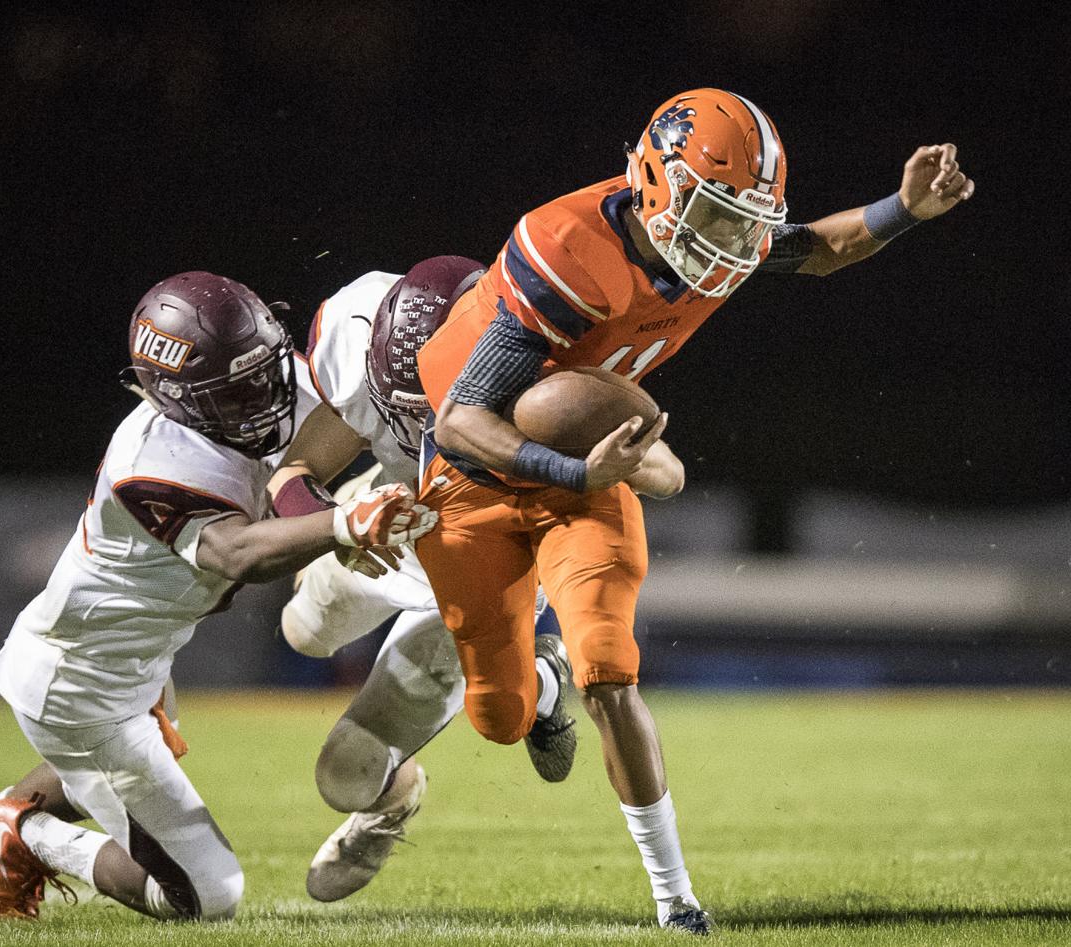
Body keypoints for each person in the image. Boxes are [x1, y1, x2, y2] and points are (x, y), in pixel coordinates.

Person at [413, 88, 975, 934]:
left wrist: (906, 209)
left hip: (594, 469)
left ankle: (677, 899)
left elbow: (816, 250)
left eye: (745, 220)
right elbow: (462, 418)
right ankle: (540, 682)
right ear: (653, 179)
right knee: (500, 716)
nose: (731, 242)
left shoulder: (724, 234)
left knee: (612, 665)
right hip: (476, 477)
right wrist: (567, 462)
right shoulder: (568, 248)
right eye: (715, 213)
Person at [0, 271, 436, 921]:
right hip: (79, 680)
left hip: (137, 653)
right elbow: (237, 552)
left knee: (114, 760)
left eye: (264, 369)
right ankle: (28, 833)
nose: (266, 393)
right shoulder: (153, 461)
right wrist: (342, 521)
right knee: (206, 894)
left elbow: (342, 396)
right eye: (237, 388)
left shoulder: (257, 377)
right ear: (178, 397)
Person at [270, 256, 573, 902]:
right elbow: (291, 473)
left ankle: (539, 679)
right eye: (402, 407)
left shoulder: (540, 378)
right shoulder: (350, 334)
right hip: (390, 515)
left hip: (485, 553)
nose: (417, 427)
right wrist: (335, 526)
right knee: (301, 630)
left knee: (346, 775)